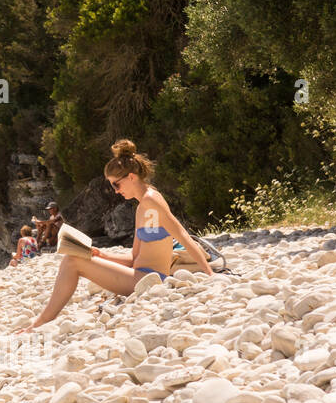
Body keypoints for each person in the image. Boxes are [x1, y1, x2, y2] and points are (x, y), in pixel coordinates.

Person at [20, 139, 214, 330]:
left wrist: (211, 275)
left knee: (71, 262)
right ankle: (40, 322)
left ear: (131, 177)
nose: (115, 191)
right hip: (142, 276)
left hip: (146, 280)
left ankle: (39, 323)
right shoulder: (144, 206)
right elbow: (134, 257)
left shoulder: (151, 202)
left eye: (116, 185)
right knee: (75, 257)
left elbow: (182, 236)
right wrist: (102, 255)